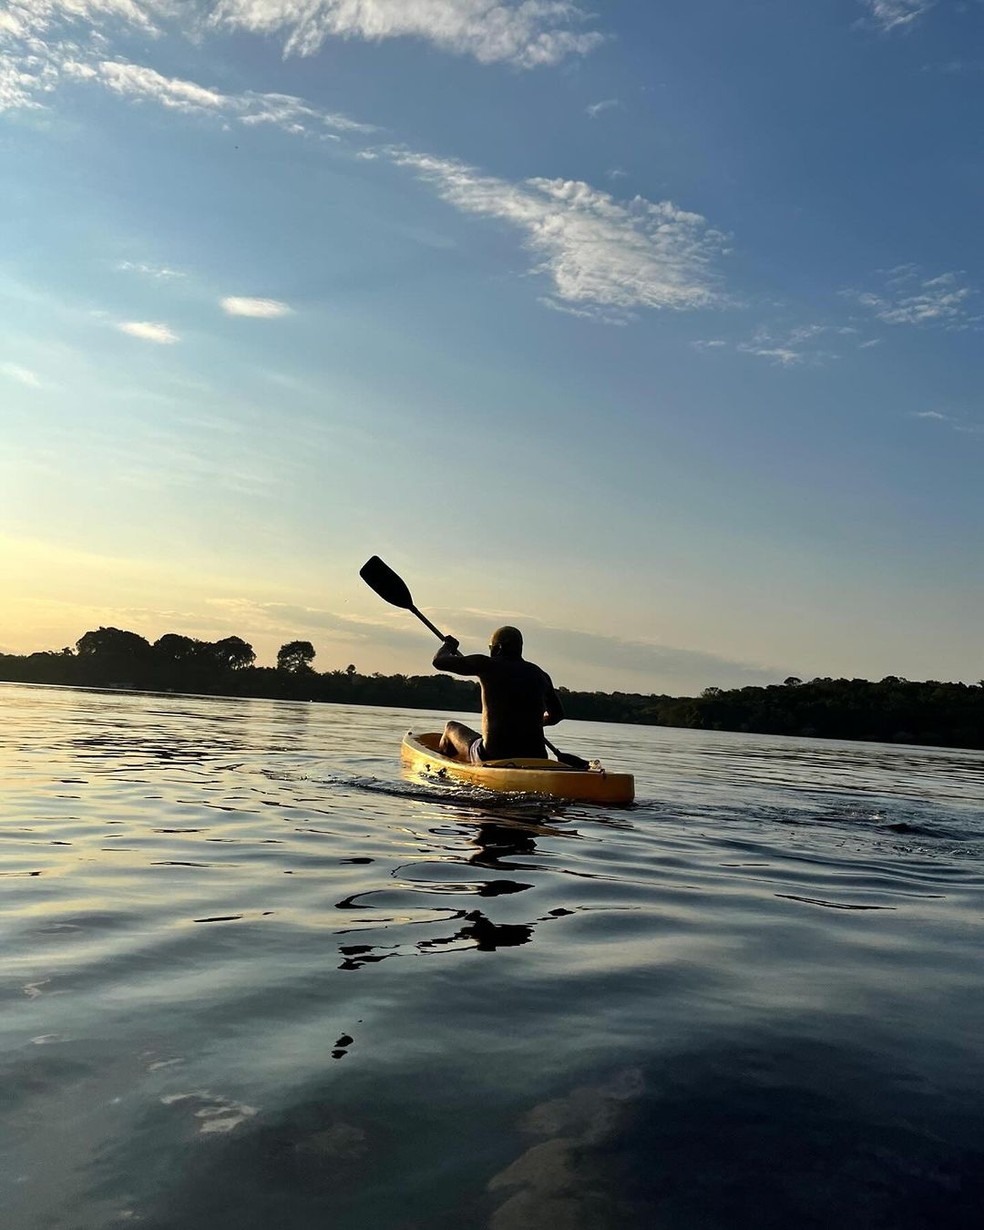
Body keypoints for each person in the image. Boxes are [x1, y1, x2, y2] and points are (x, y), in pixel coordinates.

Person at [432, 625, 564, 762]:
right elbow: (557, 715)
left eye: (491, 647)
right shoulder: (541, 675)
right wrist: (528, 723)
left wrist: (448, 645)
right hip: (536, 757)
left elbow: (439, 661)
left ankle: (446, 768)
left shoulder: (486, 664)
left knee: (451, 727)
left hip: (493, 755)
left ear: (498, 648)